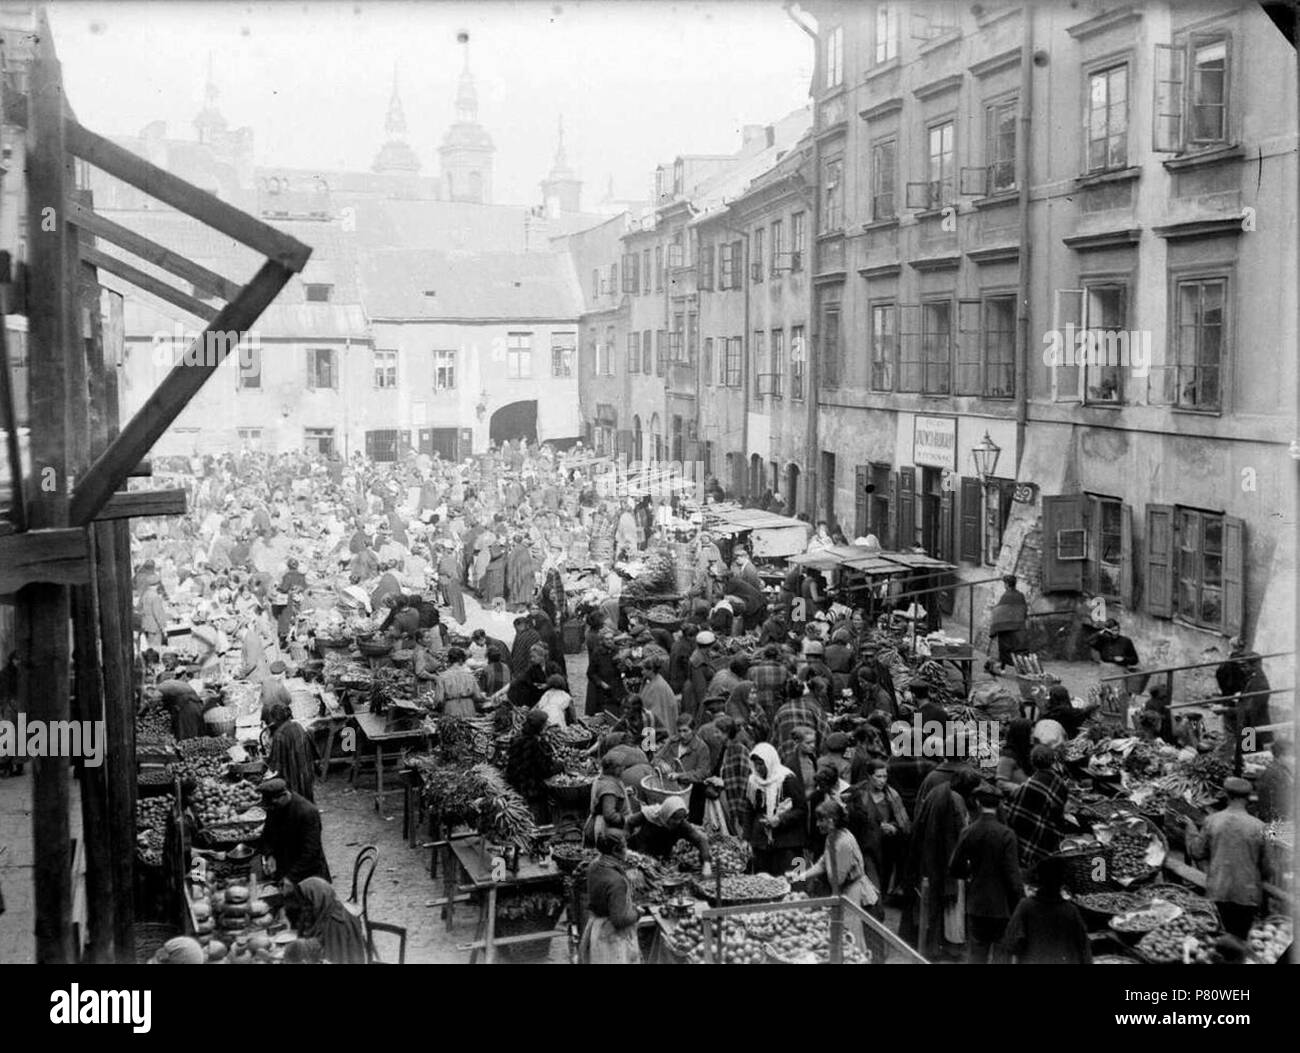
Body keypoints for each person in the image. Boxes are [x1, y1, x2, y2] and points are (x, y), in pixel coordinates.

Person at [1184, 777, 1271, 940]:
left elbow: (1196, 852)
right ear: (1248, 798)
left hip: (1218, 890)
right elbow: (1268, 868)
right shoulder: (1260, 827)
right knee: (1241, 939)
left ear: (1225, 795)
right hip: (1246, 895)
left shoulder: (1212, 821)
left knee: (1217, 937)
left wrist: (1191, 831)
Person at [905, 769, 978, 960]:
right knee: (950, 905)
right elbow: (963, 832)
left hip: (930, 857)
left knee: (932, 906)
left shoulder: (937, 791)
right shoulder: (957, 800)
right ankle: (949, 948)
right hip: (947, 861)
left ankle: (933, 946)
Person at [949, 783, 1024, 963]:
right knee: (1001, 954)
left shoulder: (968, 832)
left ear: (977, 803)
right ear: (998, 805)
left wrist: (970, 874)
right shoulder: (1007, 835)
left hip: (977, 903)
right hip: (1002, 906)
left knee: (976, 954)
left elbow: (954, 867)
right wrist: (1021, 900)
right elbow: (1012, 875)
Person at [799, 799, 876, 948]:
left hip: (853, 893)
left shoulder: (843, 842)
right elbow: (823, 862)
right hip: (844, 891)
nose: (817, 824)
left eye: (821, 820)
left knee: (850, 938)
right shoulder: (832, 836)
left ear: (831, 820)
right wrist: (802, 875)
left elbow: (836, 879)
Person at [1003, 855, 1092, 965]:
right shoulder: (1070, 911)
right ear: (1061, 883)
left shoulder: (1026, 906)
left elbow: (1011, 943)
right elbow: (1084, 948)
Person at [579, 830, 641, 964]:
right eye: (625, 846)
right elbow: (619, 920)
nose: (627, 849)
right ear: (615, 850)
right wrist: (636, 913)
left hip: (596, 927)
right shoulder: (616, 881)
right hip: (610, 936)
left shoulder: (594, 864)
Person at [1004, 746, 1070, 875]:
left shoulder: (1027, 785)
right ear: (1052, 761)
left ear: (1033, 762)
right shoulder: (1059, 783)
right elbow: (1059, 812)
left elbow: (1013, 812)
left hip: (1027, 833)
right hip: (1048, 834)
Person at [745, 741, 807, 876]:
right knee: (766, 883)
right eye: (755, 764)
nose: (758, 768)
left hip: (789, 842)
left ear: (770, 762)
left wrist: (780, 819)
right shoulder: (753, 782)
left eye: (761, 764)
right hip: (762, 843)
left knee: (796, 880)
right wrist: (747, 838)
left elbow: (802, 809)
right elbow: (749, 810)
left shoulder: (787, 779)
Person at [851, 759, 910, 898]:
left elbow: (903, 823)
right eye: (878, 776)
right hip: (865, 845)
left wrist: (893, 827)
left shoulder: (892, 795)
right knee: (871, 882)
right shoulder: (858, 793)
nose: (882, 780)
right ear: (870, 776)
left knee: (883, 880)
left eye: (885, 776)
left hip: (886, 848)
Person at [257, 778, 331, 884]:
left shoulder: (307, 812)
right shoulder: (274, 807)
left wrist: (291, 877)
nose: (271, 809)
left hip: (308, 873)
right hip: (285, 866)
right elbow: (267, 834)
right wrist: (270, 855)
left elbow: (311, 852)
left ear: (283, 796)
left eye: (273, 805)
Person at [283, 877, 367, 964]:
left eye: (307, 902)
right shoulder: (323, 912)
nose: (305, 907)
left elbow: (334, 959)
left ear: (318, 899)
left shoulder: (336, 924)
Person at [653, 714, 713, 823]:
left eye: (685, 731)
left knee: (689, 823)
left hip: (692, 793)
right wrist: (661, 764)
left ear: (693, 731)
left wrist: (680, 775)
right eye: (679, 731)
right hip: (671, 790)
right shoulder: (672, 742)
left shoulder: (701, 747)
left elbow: (702, 773)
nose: (682, 735)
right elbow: (656, 759)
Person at [626, 795, 712, 871]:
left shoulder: (681, 825)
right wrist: (624, 844)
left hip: (661, 857)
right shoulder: (650, 815)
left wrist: (706, 863)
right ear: (667, 813)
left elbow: (699, 840)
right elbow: (629, 823)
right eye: (674, 818)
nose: (677, 822)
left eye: (680, 819)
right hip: (639, 853)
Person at [506, 709, 562, 822]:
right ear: (539, 727)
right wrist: (559, 766)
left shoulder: (517, 738)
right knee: (536, 818)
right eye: (545, 724)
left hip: (516, 785)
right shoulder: (534, 744)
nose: (547, 726)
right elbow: (544, 771)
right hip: (532, 790)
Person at [263, 699, 317, 803]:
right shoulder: (298, 726)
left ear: (274, 719)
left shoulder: (279, 735)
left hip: (293, 779)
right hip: (306, 773)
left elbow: (276, 765)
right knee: (307, 802)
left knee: (295, 804)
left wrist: (265, 765)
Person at [585, 749, 633, 844]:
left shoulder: (604, 779)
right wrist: (627, 820)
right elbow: (609, 815)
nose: (624, 768)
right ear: (614, 769)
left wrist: (623, 793)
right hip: (608, 829)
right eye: (621, 766)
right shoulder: (609, 788)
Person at [986, 575, 1028, 675]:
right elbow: (1023, 609)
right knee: (1019, 650)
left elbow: (1000, 611)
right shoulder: (1020, 595)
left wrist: (995, 611)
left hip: (1006, 628)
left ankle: (999, 668)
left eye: (1004, 583)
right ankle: (1023, 670)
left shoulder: (1006, 596)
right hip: (1018, 627)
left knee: (1004, 648)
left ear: (1007, 584)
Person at [433, 647, 485, 718]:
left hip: (450, 710)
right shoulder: (470, 676)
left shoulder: (442, 677)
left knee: (453, 727)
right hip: (469, 709)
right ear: (461, 660)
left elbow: (439, 700)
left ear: (449, 660)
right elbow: (478, 697)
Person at [586, 627, 626, 718]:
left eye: (611, 639)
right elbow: (590, 673)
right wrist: (601, 683)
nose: (609, 641)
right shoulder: (597, 653)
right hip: (603, 691)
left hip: (616, 687)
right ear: (602, 640)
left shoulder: (616, 650)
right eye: (607, 639)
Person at [1254, 738, 1293, 823]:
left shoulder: (1282, 770)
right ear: (1282, 755)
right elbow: (1272, 805)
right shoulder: (1274, 773)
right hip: (1277, 824)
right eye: (1292, 755)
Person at [639, 655, 679, 732]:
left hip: (659, 729)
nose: (642, 672)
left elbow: (657, 714)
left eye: (643, 670)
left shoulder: (657, 686)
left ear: (651, 670)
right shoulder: (651, 682)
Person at [996, 718, 1034, 794]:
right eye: (1031, 733)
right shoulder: (1008, 756)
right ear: (1022, 735)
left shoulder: (1026, 752)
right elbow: (1001, 783)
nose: (1033, 736)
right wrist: (1025, 790)